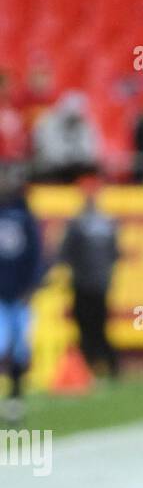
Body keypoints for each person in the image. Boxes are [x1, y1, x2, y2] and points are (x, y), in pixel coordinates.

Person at [57, 173, 121, 379]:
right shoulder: (107, 222)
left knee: (89, 327)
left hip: (86, 282)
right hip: (96, 282)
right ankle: (105, 366)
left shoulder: (78, 223)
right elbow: (114, 254)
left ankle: (94, 365)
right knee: (96, 326)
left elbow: (65, 253)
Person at [0, 163, 42, 423]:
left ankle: (15, 398)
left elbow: (36, 254)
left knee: (18, 348)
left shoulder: (24, 214)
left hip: (19, 293)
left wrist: (31, 285)